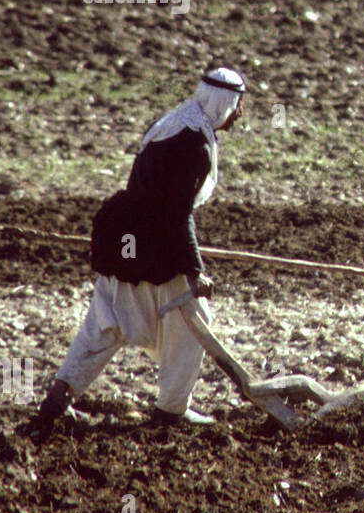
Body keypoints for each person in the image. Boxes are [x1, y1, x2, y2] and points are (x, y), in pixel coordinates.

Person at [24, 68, 247, 442]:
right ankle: (171, 411)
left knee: (105, 321)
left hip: (124, 236)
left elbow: (162, 202)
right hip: (155, 245)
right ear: (223, 103)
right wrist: (194, 271)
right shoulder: (192, 142)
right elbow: (177, 212)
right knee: (193, 321)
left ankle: (57, 398)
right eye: (238, 106)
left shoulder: (176, 122)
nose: (239, 115)